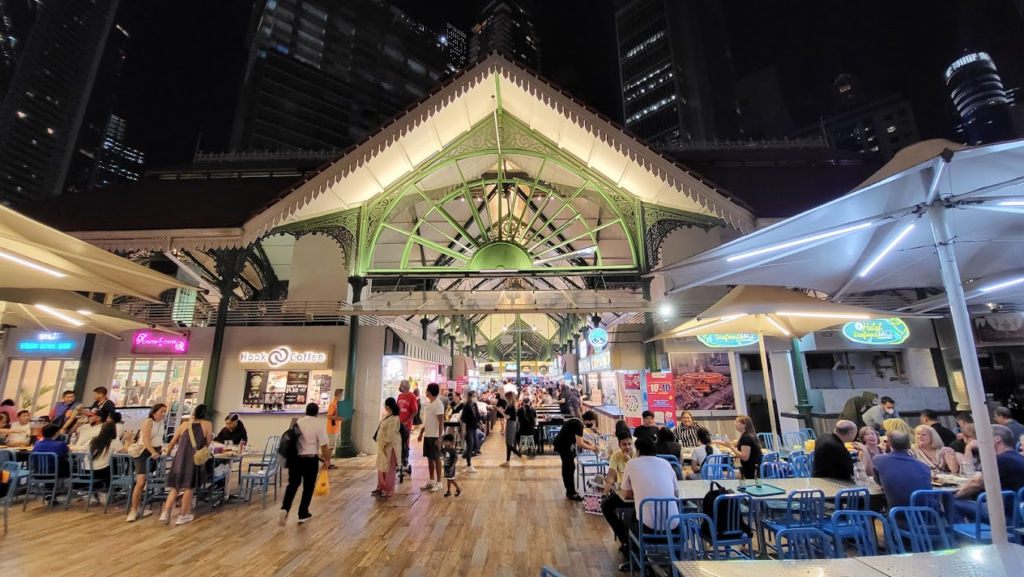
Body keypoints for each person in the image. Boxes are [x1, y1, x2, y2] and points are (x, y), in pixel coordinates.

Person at [614, 437, 680, 569]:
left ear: (637, 451)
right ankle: (676, 562)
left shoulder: (631, 464)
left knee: (627, 516)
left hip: (647, 530)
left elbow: (626, 494)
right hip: (674, 529)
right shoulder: (666, 463)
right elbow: (676, 494)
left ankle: (637, 557)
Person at [953, 425, 1024, 523]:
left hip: (1005, 513)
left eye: (985, 436)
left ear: (997, 439)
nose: (981, 440)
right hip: (1017, 510)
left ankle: (958, 537)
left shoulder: (1000, 460)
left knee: (952, 503)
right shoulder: (1017, 457)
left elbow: (977, 483)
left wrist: (956, 495)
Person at [160, 405, 213, 525]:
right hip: (194, 459)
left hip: (180, 458)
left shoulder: (184, 425)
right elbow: (208, 442)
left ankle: (165, 512)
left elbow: (172, 442)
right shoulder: (207, 424)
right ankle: (182, 515)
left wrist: (167, 453)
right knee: (189, 487)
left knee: (175, 486)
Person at [279, 403, 331, 524]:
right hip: (310, 460)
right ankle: (303, 513)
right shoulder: (319, 425)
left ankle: (285, 508)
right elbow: (324, 445)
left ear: (306, 411)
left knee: (292, 485)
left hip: (295, 459)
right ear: (317, 412)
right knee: (308, 487)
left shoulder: (297, 422)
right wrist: (326, 460)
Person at [872, 431, 932, 509]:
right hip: (927, 514)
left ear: (889, 443)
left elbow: (879, 482)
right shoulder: (924, 466)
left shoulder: (878, 460)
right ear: (909, 445)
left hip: (899, 514)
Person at [127, 403, 166, 522]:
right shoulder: (149, 422)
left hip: (155, 451)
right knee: (140, 482)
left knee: (147, 480)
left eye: (165, 411)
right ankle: (134, 509)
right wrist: (153, 451)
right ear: (154, 412)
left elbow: (158, 439)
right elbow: (145, 439)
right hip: (144, 452)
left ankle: (140, 507)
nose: (163, 414)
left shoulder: (161, 423)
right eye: (161, 411)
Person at [552, 410, 601, 501]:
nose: (592, 424)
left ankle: (570, 491)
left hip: (562, 444)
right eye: (592, 422)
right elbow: (580, 444)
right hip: (564, 446)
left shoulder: (577, 421)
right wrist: (593, 448)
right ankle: (571, 492)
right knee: (569, 468)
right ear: (588, 420)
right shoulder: (578, 425)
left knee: (568, 467)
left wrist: (587, 442)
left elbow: (579, 438)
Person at [600, 431, 636, 555]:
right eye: (624, 444)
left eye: (629, 444)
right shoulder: (615, 456)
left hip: (639, 495)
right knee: (605, 504)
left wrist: (629, 461)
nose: (627, 447)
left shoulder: (638, 455)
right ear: (619, 445)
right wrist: (606, 488)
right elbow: (611, 475)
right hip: (623, 494)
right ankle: (624, 539)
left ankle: (632, 541)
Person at [82, 421, 124, 504]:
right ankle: (106, 491)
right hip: (101, 471)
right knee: (115, 466)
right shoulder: (113, 441)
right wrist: (129, 439)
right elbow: (124, 452)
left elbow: (82, 449)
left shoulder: (93, 440)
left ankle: (92, 493)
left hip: (86, 470)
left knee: (109, 464)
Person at [715, 415, 762, 480]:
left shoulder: (746, 438)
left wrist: (731, 447)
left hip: (751, 470)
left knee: (723, 474)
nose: (735, 424)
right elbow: (732, 444)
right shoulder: (748, 435)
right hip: (751, 468)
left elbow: (745, 457)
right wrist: (715, 441)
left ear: (744, 425)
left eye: (737, 422)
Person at [373, 398, 403, 499]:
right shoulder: (389, 416)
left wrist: (384, 443)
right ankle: (380, 486)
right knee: (381, 466)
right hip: (383, 446)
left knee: (389, 468)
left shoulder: (394, 418)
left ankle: (388, 489)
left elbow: (390, 434)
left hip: (390, 447)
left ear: (388, 407)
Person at [418, 383, 445, 491]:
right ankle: (431, 480)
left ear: (429, 391)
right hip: (428, 434)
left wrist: (439, 437)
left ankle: (439, 482)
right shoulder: (429, 404)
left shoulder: (438, 404)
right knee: (429, 458)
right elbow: (429, 420)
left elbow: (441, 422)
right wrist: (422, 432)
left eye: (427, 390)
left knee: (436, 458)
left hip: (434, 436)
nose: (425, 392)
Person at [460, 390, 482, 473]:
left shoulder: (475, 405)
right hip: (468, 428)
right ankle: (469, 464)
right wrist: (463, 430)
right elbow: (464, 419)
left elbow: (477, 416)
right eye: (473, 396)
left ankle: (466, 457)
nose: (475, 398)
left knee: (474, 445)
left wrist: (480, 423)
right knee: (470, 445)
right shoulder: (467, 406)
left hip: (474, 428)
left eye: (475, 396)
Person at [501, 391, 523, 467]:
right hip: (511, 424)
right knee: (508, 443)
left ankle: (519, 455)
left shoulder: (510, 406)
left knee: (509, 443)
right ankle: (507, 461)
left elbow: (508, 416)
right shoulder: (512, 406)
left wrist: (501, 412)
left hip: (511, 424)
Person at [325, 388, 345, 469]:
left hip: (335, 428)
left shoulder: (337, 405)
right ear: (339, 395)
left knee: (332, 446)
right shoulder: (333, 405)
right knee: (331, 446)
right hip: (332, 429)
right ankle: (327, 463)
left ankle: (328, 462)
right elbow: (329, 416)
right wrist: (339, 418)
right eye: (342, 395)